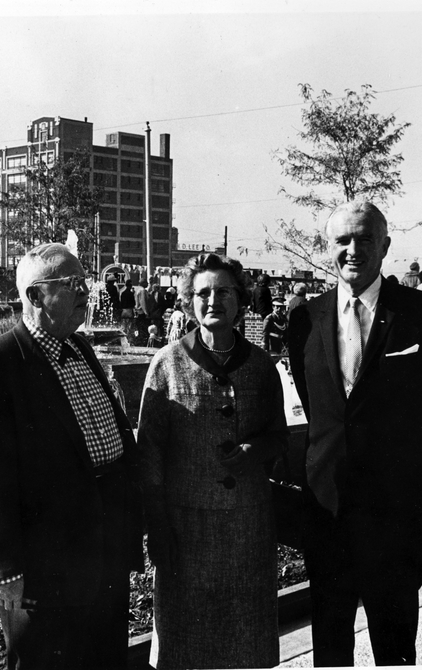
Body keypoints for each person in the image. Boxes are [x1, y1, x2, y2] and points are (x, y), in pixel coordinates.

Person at [288, 200, 422, 666]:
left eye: (365, 238)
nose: (353, 249)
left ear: (385, 245)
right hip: (327, 509)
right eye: (342, 240)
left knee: (394, 639)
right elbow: (317, 404)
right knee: (329, 641)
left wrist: (406, 468)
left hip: (396, 508)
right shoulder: (304, 318)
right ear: (328, 247)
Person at [0, 243, 144, 670]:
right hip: (44, 567)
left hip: (102, 554)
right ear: (35, 296)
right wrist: (3, 569)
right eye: (73, 284)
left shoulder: (80, 348)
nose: (87, 292)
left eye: (86, 282)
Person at [137, 253, 288, 669]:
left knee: (246, 643)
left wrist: (256, 451)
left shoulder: (261, 367)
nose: (213, 300)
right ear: (188, 302)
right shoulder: (166, 364)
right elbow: (148, 457)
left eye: (223, 291)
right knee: (187, 644)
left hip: (248, 529)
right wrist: (157, 529)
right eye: (202, 292)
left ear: (240, 300)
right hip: (187, 532)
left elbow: (280, 436)